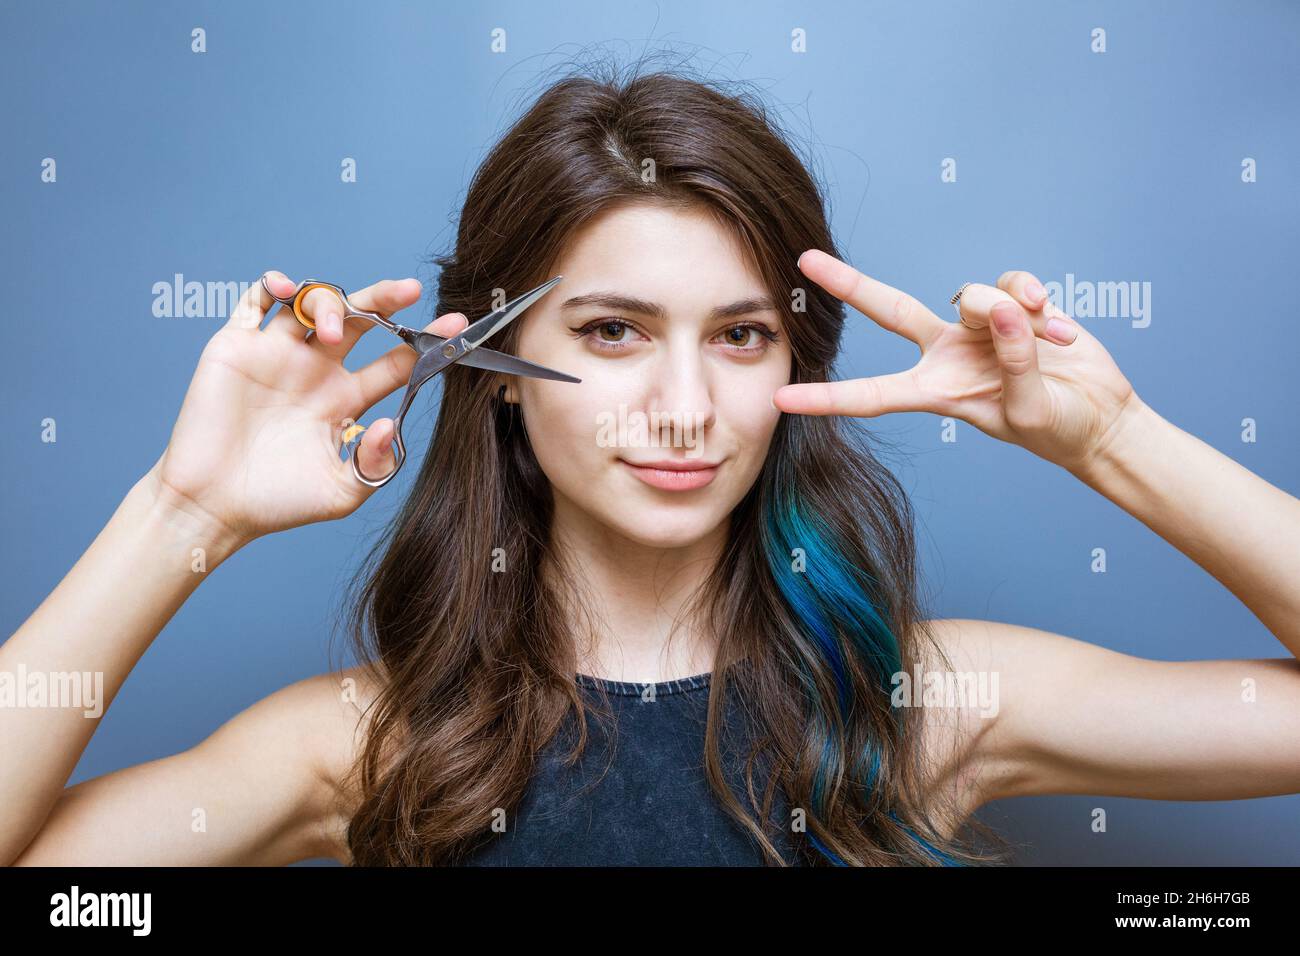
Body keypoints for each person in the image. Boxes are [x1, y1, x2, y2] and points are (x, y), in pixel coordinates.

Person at [4, 64, 1298, 867]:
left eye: (739, 337)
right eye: (612, 333)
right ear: (499, 370)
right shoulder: (368, 750)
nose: (685, 407)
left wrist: (1117, 445)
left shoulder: (921, 712)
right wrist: (186, 512)